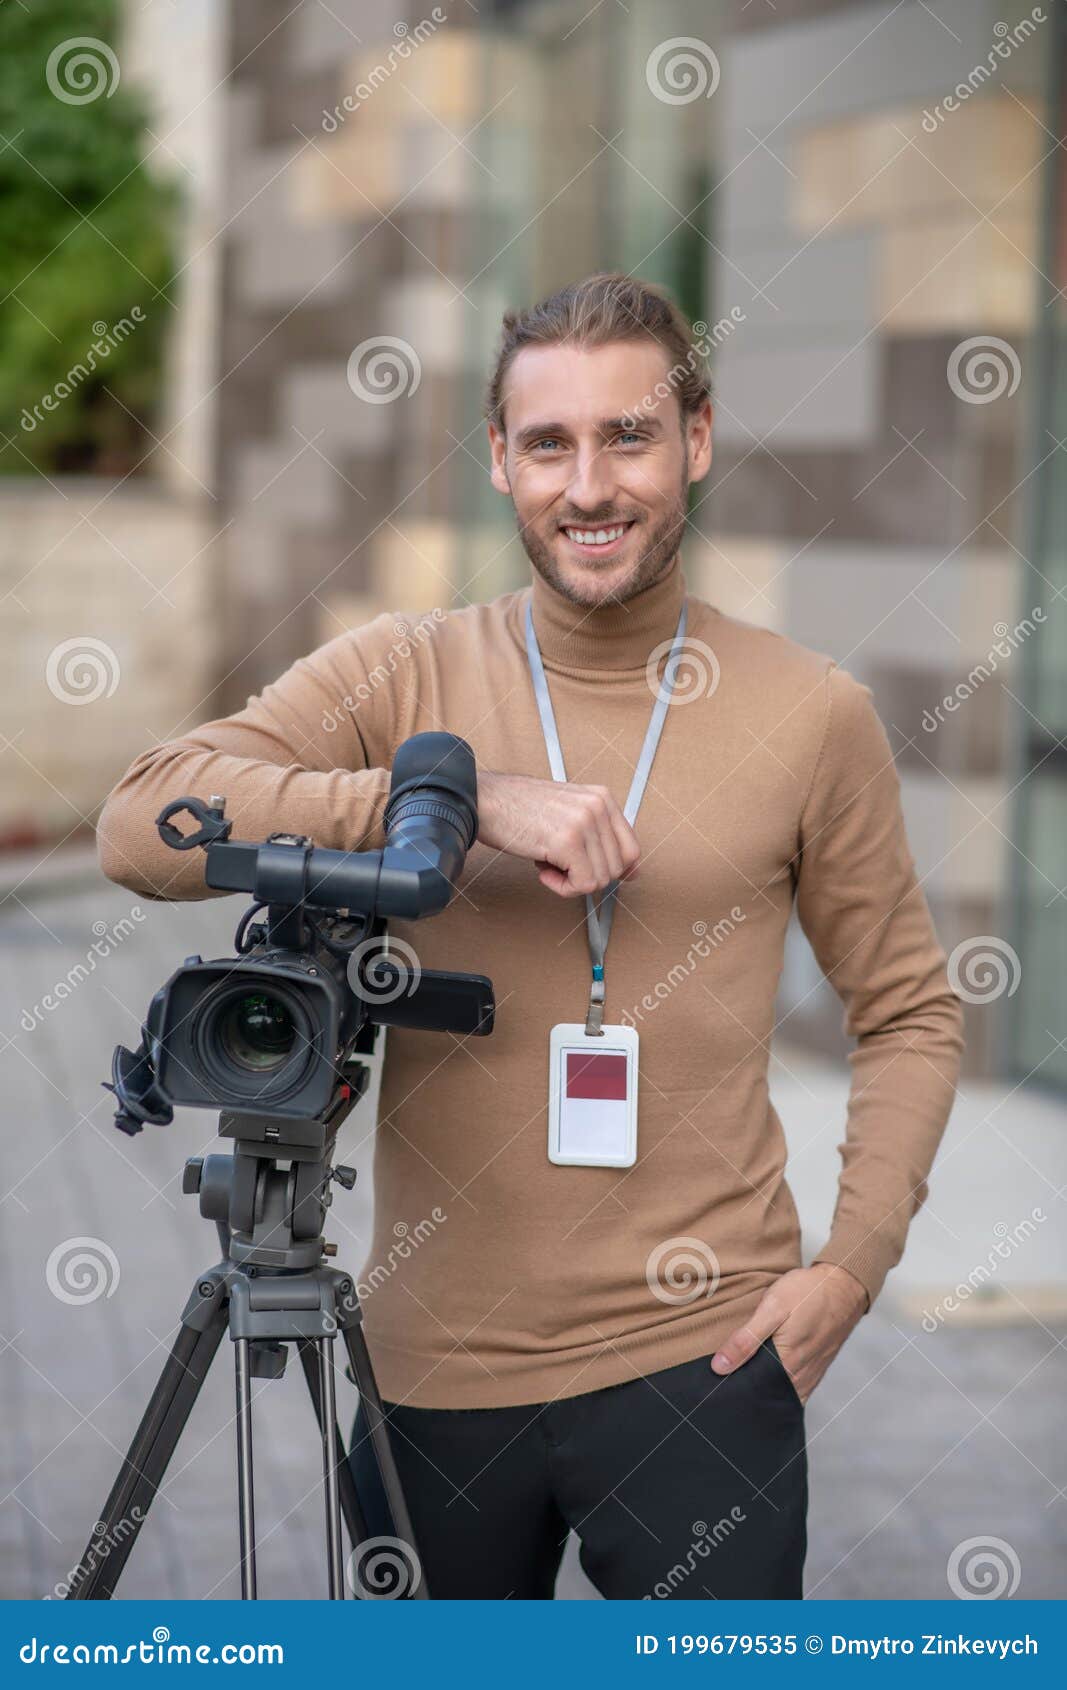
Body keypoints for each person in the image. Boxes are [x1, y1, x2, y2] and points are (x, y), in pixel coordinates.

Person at [96, 272, 964, 1600]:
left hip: (705, 1365)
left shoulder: (813, 712)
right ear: (500, 458)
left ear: (697, 441)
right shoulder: (407, 673)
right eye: (549, 443)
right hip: (430, 1373)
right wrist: (450, 800)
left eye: (630, 437)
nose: (589, 485)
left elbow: (909, 1012)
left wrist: (850, 1270)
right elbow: (140, 821)